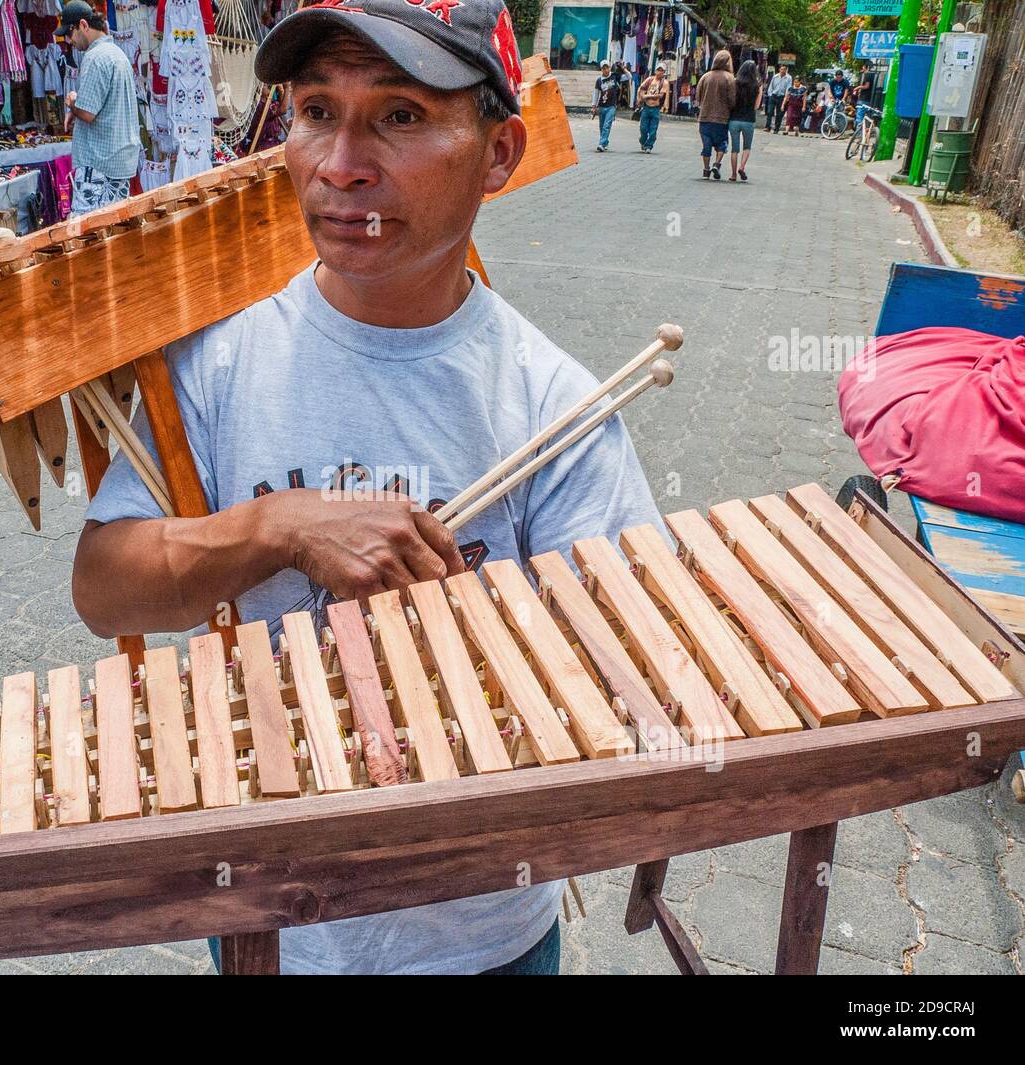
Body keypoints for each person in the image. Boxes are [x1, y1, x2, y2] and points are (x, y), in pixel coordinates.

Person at [72, 0, 664, 976]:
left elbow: (636, 692)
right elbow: (105, 591)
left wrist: (472, 635)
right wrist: (276, 527)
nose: (341, 163)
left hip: (481, 942)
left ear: (500, 151)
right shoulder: (217, 362)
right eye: (314, 110)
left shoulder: (551, 405)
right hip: (268, 922)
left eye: (398, 116)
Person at [55, 0, 141, 217]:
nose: (68, 40)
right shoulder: (116, 53)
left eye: (70, 32)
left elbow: (88, 113)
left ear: (83, 25)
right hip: (117, 160)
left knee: (89, 231)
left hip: (99, 164)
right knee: (113, 228)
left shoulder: (95, 58)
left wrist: (72, 102)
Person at [696, 49, 735, 180]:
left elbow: (698, 96)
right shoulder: (729, 78)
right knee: (721, 144)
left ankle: (705, 170)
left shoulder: (705, 76)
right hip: (722, 118)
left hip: (705, 117)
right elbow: (732, 99)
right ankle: (717, 164)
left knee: (706, 145)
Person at [727, 59, 761, 182]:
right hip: (749, 120)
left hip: (734, 119)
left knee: (734, 148)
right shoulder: (757, 85)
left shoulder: (734, 83)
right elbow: (756, 106)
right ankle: (742, 167)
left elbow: (730, 100)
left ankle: (733, 175)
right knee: (747, 146)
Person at [593, 60, 627, 152]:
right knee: (601, 126)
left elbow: (628, 77)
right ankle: (605, 141)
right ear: (601, 69)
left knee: (606, 125)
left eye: (607, 68)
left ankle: (601, 144)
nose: (606, 70)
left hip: (611, 106)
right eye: (604, 68)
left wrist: (624, 69)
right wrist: (594, 106)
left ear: (609, 68)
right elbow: (596, 93)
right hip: (601, 106)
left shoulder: (614, 76)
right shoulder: (599, 80)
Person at [637, 63, 669, 153]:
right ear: (655, 71)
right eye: (658, 70)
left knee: (653, 130)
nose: (659, 72)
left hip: (655, 109)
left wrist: (647, 96)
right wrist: (641, 98)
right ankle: (643, 141)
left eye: (661, 71)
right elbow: (641, 89)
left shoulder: (664, 83)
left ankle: (649, 146)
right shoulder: (649, 80)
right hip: (646, 107)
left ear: (664, 73)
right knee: (643, 128)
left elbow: (660, 96)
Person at [766, 64, 791, 132]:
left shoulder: (788, 78)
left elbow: (788, 89)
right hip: (773, 95)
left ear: (786, 70)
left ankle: (776, 128)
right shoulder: (775, 76)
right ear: (779, 69)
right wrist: (770, 94)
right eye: (781, 69)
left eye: (784, 69)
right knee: (769, 111)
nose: (782, 71)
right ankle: (768, 127)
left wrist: (785, 98)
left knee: (779, 113)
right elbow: (771, 86)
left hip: (782, 97)